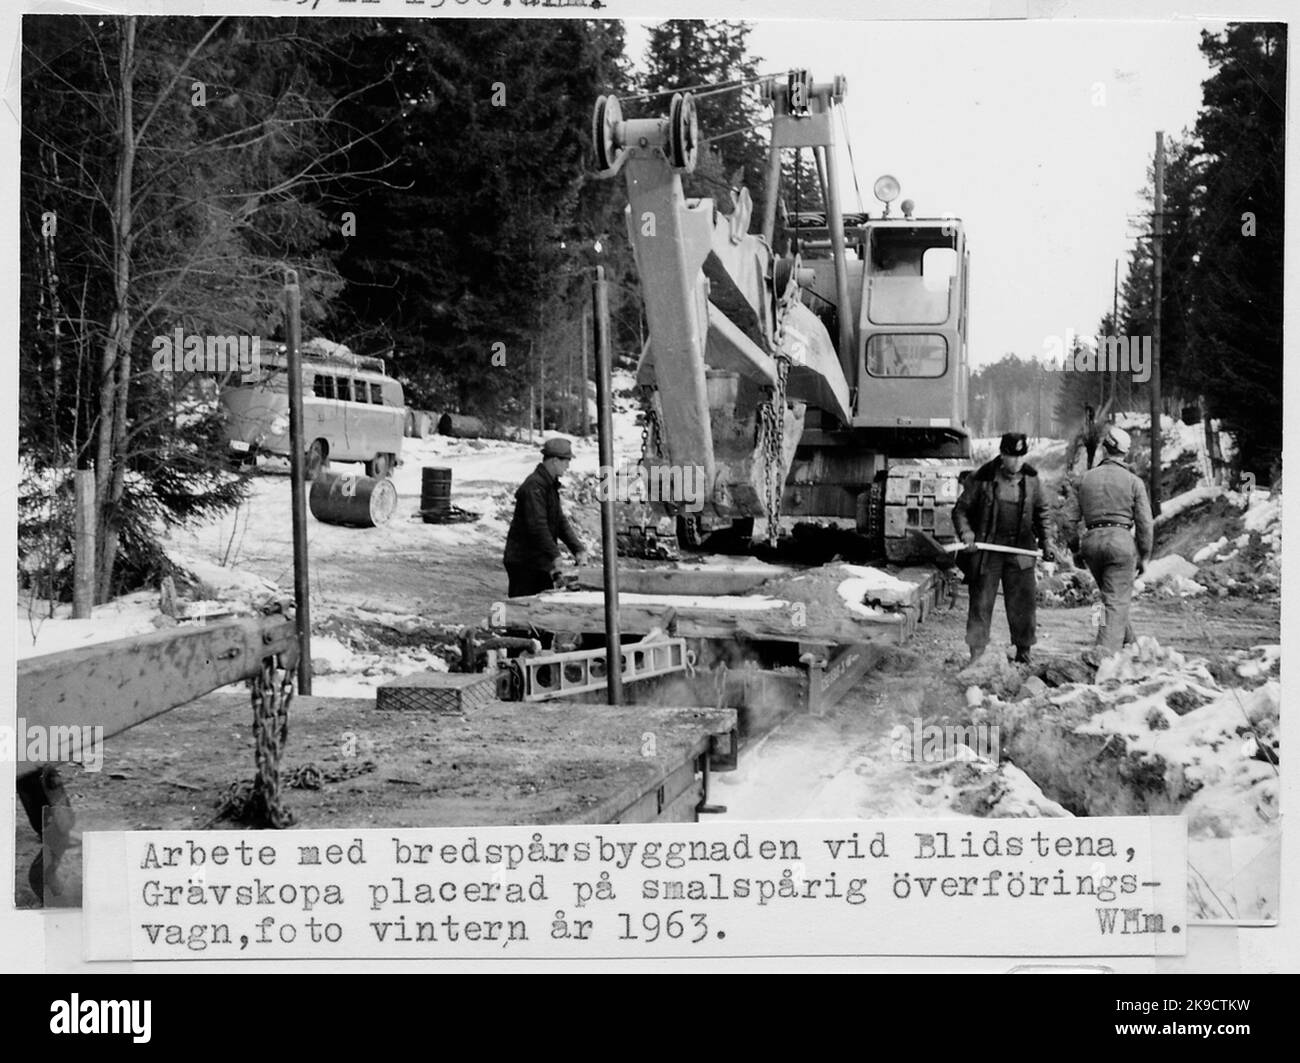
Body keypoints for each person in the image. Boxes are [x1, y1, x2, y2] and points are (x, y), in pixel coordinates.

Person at [951, 431, 1051, 664]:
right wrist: (967, 533)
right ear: (1002, 455)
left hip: (1020, 550)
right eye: (1011, 457)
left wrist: (1047, 542)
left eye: (1020, 457)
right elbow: (961, 510)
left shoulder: (1033, 480)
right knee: (981, 602)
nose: (1016, 462)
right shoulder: (982, 478)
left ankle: (1023, 650)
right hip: (988, 550)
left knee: (1023, 602)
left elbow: (1043, 514)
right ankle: (976, 653)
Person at [1067, 424, 1153, 657]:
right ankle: (1103, 660)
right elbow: (1145, 523)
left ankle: (1133, 651)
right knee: (1116, 602)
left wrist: (1076, 549)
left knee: (1112, 599)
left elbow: (1067, 520)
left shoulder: (1084, 479)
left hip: (1091, 544)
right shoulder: (1134, 482)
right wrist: (1144, 556)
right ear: (1125, 454)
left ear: (1105, 449)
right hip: (1120, 544)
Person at [503, 437, 588, 597]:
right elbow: (537, 527)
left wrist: (577, 548)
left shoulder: (548, 485)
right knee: (525, 607)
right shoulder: (535, 487)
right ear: (555, 460)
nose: (568, 466)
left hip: (538, 561)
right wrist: (555, 555)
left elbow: (559, 520)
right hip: (525, 562)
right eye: (566, 461)